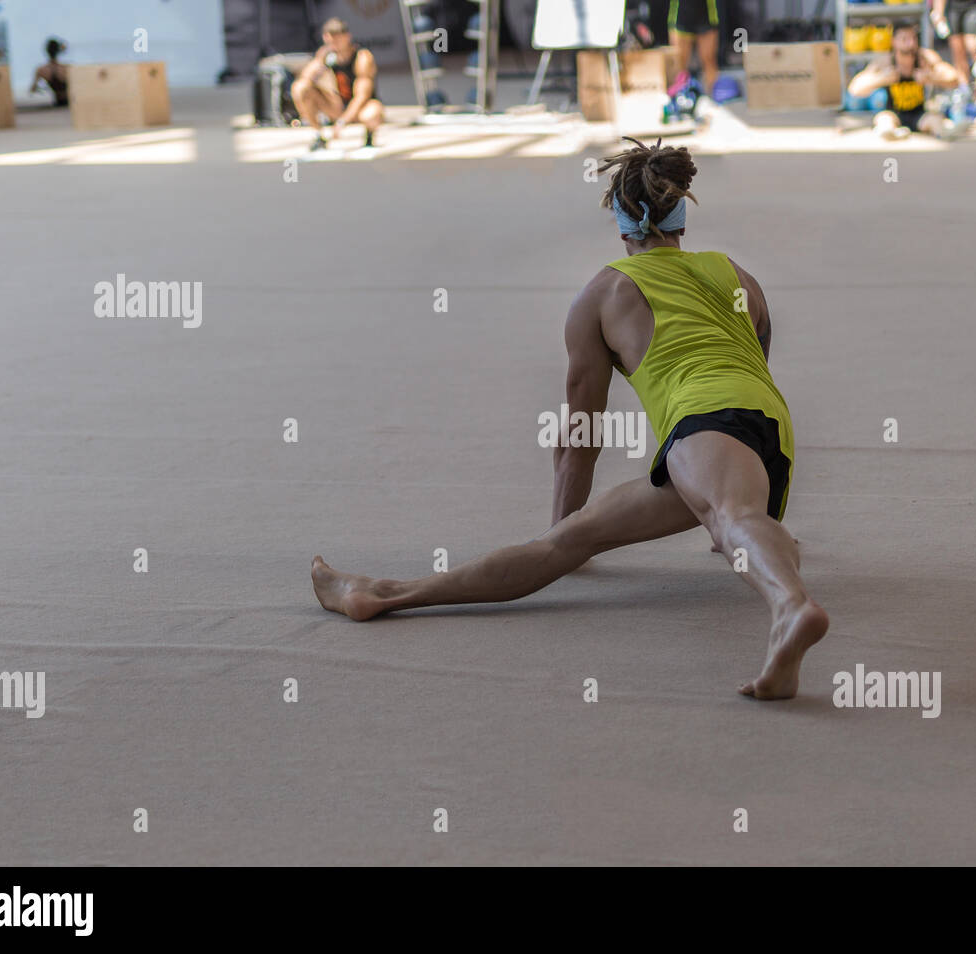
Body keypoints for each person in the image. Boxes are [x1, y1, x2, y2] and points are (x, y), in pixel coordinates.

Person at [312, 138, 829, 701]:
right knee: (587, 542)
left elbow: (581, 435)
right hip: (763, 425)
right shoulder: (736, 274)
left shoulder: (602, 296)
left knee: (721, 516)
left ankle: (790, 606)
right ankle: (382, 593)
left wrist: (564, 520)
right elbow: (756, 366)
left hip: (704, 420)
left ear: (621, 225)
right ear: (681, 217)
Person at [846, 23, 959, 139]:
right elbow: (855, 89)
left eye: (913, 38)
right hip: (894, 115)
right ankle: (890, 133)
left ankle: (943, 132)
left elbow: (954, 79)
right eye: (904, 39)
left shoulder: (925, 58)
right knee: (883, 119)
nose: (910, 43)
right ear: (893, 41)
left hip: (920, 116)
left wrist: (931, 78)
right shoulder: (886, 61)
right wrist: (882, 79)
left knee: (935, 119)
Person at [291, 17, 383, 152]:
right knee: (300, 88)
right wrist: (319, 64)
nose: (335, 44)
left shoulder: (362, 57)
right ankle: (319, 135)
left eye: (338, 39)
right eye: (331, 41)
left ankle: (369, 135)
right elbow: (304, 78)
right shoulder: (327, 55)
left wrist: (343, 121)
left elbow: (362, 95)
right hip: (338, 105)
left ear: (347, 37)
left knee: (371, 114)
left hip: (361, 106)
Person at [931, 0, 976, 87]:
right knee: (958, 51)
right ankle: (963, 87)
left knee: (973, 47)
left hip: (974, 5)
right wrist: (938, 13)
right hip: (953, 8)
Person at [669, 0, 720, 94]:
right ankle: (679, 97)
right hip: (680, 15)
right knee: (678, 63)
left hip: (706, 15)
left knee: (709, 59)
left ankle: (713, 95)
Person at [30, 38, 69, 106]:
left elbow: (33, 89)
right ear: (59, 51)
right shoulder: (66, 68)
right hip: (67, 103)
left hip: (57, 102)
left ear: (47, 51)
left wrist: (44, 88)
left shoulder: (41, 70)